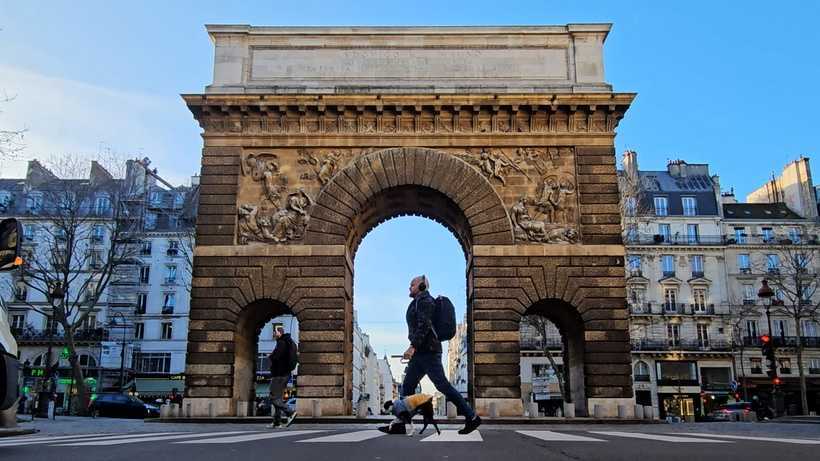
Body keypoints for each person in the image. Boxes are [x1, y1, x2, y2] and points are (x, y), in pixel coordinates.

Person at [400, 275, 481, 435]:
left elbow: (424, 326)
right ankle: (402, 422)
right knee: (407, 387)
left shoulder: (425, 301)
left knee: (442, 385)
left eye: (412, 285)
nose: (409, 287)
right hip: (421, 353)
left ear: (422, 286)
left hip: (429, 352)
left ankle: (471, 417)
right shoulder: (418, 302)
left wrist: (412, 347)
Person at [267, 325, 297, 428]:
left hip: (279, 374)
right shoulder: (287, 342)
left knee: (273, 397)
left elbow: (276, 356)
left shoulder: (281, 343)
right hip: (285, 373)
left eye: (275, 332)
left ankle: (290, 412)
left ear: (279, 333)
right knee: (278, 398)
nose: (274, 334)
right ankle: (277, 422)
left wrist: (270, 356)